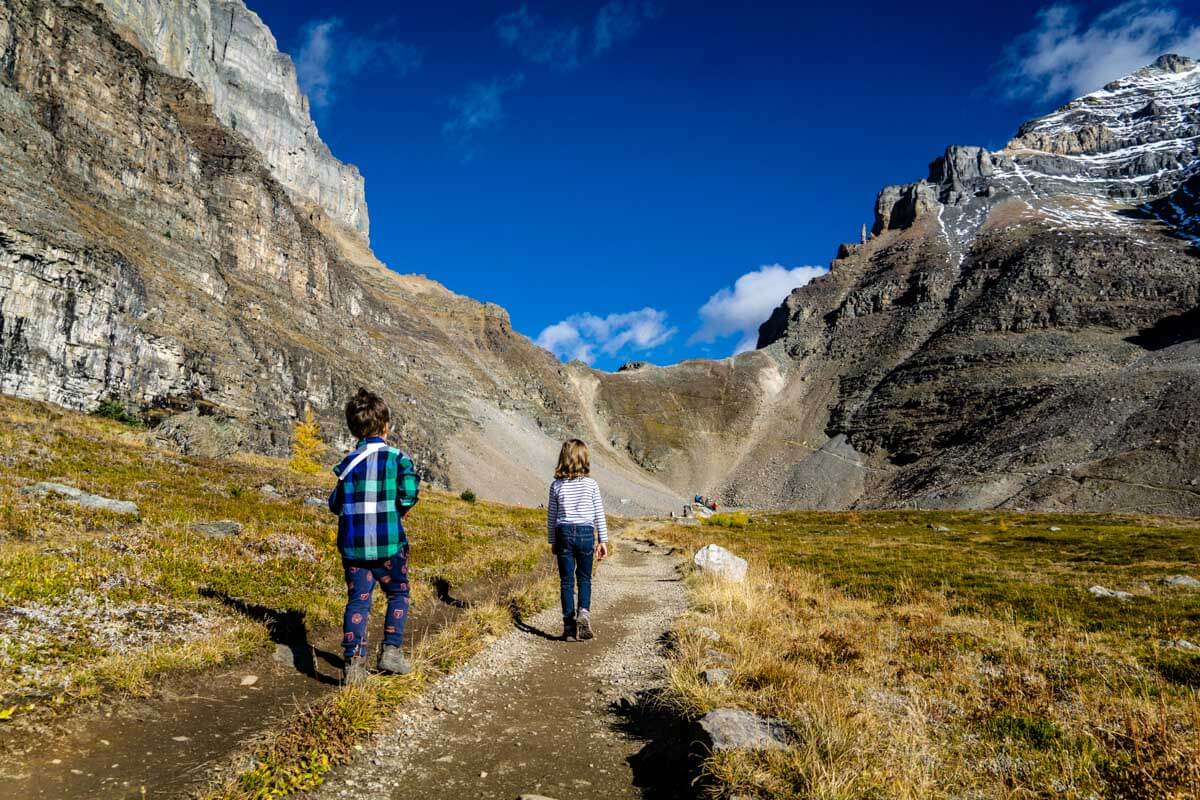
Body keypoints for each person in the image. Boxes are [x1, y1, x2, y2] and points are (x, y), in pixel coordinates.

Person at [328, 388, 420, 684]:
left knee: (358, 601)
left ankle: (354, 664)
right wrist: (398, 509)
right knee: (398, 593)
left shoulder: (347, 464)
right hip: (389, 544)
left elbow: (334, 504)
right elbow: (409, 495)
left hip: (353, 547)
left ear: (354, 428)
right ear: (386, 426)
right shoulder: (398, 459)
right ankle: (391, 652)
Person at [546, 439, 609, 641]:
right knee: (584, 578)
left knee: (566, 580)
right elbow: (599, 513)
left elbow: (552, 516)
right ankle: (583, 612)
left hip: (563, 532)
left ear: (563, 458)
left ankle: (569, 628)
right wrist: (603, 541)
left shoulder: (556, 485)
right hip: (585, 532)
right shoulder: (591, 485)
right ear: (584, 459)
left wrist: (552, 540)